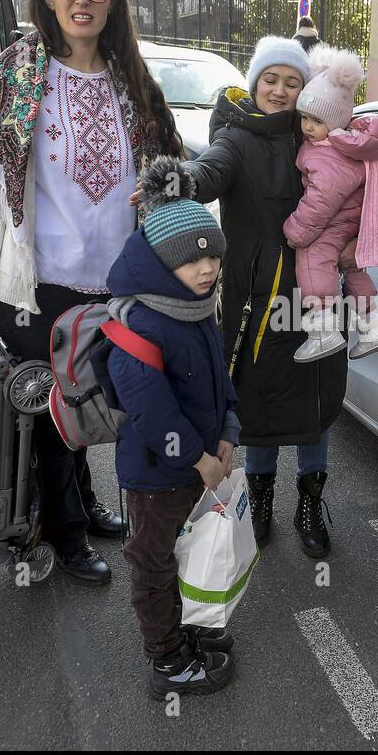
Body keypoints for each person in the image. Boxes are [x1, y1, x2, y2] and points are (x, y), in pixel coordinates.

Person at [0, 0, 181, 585]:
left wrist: (163, 189)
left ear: (113, 0)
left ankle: (83, 502)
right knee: (53, 414)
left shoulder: (133, 80)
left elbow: (171, 174)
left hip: (114, 283)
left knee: (91, 400)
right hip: (38, 283)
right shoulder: (16, 77)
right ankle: (67, 532)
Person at [169, 36, 347, 558]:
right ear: (255, 84)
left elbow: (360, 184)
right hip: (256, 300)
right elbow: (208, 172)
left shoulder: (319, 137)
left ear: (304, 89)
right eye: (270, 79)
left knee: (316, 398)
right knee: (259, 399)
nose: (279, 90)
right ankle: (262, 496)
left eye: (292, 82)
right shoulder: (238, 137)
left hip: (315, 297)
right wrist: (176, 181)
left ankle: (311, 499)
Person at [96, 158, 239, 699]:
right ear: (159, 260)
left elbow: (220, 376)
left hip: (201, 464)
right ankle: (167, 659)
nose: (206, 270)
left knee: (194, 547)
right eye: (190, 260)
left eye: (213, 257)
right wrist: (201, 461)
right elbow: (151, 412)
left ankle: (194, 628)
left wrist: (227, 429)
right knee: (152, 560)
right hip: (158, 473)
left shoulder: (196, 306)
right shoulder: (138, 320)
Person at [284, 44, 378, 362]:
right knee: (353, 268)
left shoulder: (327, 152)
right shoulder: (347, 143)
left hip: (333, 223)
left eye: (316, 120)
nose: (307, 127)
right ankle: (373, 328)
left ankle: (323, 332)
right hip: (352, 223)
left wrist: (297, 230)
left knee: (312, 259)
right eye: (304, 117)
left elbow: (322, 198)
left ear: (334, 121)